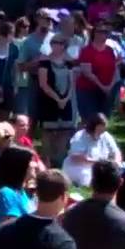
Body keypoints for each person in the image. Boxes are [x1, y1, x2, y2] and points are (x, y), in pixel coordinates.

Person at [37, 35, 77, 168]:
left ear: (63, 46)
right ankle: (46, 162)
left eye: (59, 43)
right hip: (49, 101)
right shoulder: (44, 63)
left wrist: (65, 99)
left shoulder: (68, 63)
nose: (55, 45)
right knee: (48, 133)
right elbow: (43, 84)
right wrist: (57, 98)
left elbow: (72, 83)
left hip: (66, 101)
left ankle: (59, 161)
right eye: (53, 42)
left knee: (64, 132)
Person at [63, 112, 122, 188]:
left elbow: (116, 151)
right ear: (93, 126)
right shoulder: (80, 136)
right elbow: (76, 158)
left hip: (101, 166)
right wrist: (100, 163)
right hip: (79, 167)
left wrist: (116, 162)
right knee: (88, 177)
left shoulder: (106, 135)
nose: (102, 131)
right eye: (100, 128)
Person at [76, 24, 119, 121]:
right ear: (94, 34)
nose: (103, 34)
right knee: (90, 120)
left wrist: (110, 86)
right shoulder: (86, 51)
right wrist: (103, 87)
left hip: (107, 91)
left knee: (104, 120)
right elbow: (87, 73)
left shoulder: (110, 50)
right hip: (88, 91)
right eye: (100, 31)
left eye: (105, 32)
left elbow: (114, 69)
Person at [0, 146, 37, 232]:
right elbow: (11, 232)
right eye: (30, 161)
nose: (35, 165)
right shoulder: (5, 194)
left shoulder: (22, 193)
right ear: (19, 165)